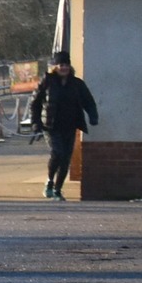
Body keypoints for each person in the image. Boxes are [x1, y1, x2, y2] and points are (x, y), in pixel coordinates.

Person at [29, 52, 99, 200]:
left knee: (66, 158)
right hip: (51, 126)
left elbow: (88, 101)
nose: (64, 68)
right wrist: (35, 123)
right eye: (61, 65)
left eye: (66, 65)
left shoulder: (77, 83)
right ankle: (49, 181)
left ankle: (58, 189)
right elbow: (34, 103)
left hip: (70, 125)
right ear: (55, 67)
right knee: (58, 153)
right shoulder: (47, 82)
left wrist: (93, 116)